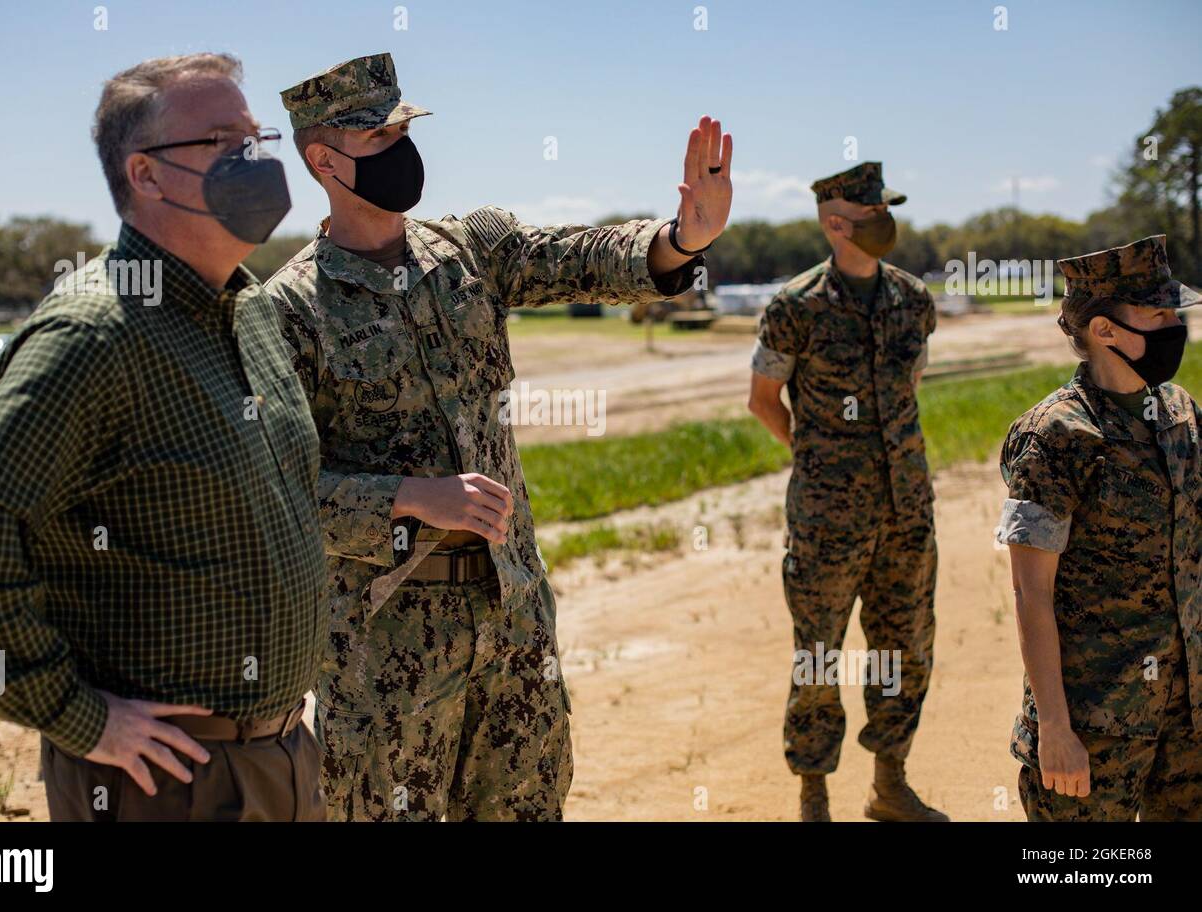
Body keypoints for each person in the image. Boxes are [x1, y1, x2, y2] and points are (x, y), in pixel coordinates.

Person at [266, 52, 732, 820]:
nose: (401, 151)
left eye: (402, 130)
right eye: (378, 139)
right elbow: (277, 496)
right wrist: (411, 499)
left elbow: (583, 259)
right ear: (324, 160)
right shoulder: (289, 310)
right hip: (384, 653)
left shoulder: (469, 252)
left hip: (511, 617)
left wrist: (681, 239)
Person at [0, 53, 328, 821]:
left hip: (281, 758)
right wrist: (77, 717)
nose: (255, 157)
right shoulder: (94, 332)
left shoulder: (253, 313)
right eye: (223, 140)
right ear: (147, 175)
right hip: (165, 783)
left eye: (257, 135)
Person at [747, 162, 945, 822]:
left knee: (902, 649)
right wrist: (816, 454)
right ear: (836, 224)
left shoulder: (914, 300)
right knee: (818, 656)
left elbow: (909, 387)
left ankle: (889, 784)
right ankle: (814, 794)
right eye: (871, 213)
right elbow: (763, 400)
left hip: (906, 512)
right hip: (827, 519)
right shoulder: (794, 307)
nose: (885, 221)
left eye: (886, 208)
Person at [997, 235, 1201, 821]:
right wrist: (1055, 730)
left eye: (1173, 310)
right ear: (1105, 330)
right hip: (1097, 719)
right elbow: (1029, 592)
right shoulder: (1057, 436)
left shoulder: (1181, 413)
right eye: (1156, 312)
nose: (1173, 324)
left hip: (1185, 718)